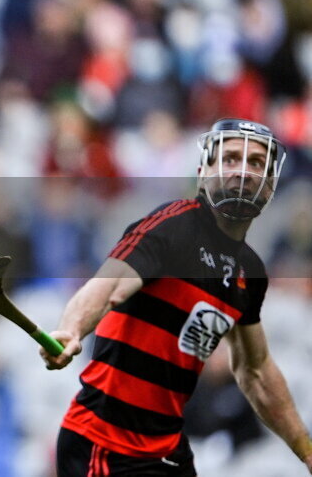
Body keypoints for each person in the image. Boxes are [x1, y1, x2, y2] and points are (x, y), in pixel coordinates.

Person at [42, 118, 312, 475]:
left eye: (256, 162)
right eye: (231, 158)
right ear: (204, 171)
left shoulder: (248, 270)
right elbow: (107, 287)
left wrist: (306, 451)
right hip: (106, 442)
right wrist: (71, 329)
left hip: (166, 448)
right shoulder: (173, 226)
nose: (243, 171)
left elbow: (257, 371)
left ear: (271, 183)